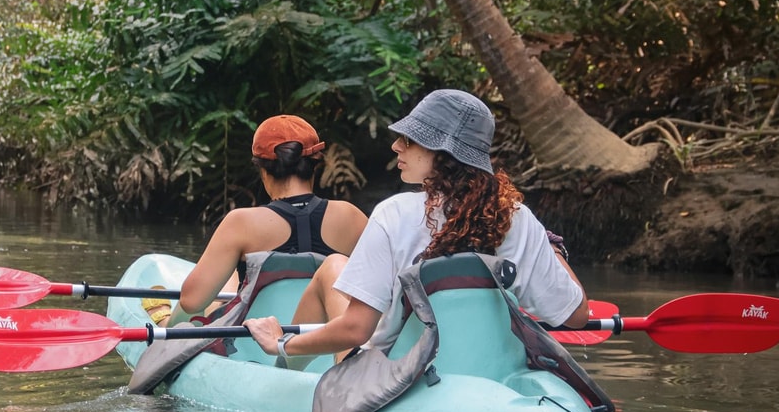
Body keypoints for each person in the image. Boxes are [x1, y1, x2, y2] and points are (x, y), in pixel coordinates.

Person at [244, 89, 589, 364]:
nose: (396, 145)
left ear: (443, 153)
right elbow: (576, 315)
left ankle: (286, 368)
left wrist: (282, 343)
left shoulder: (393, 214)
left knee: (333, 269)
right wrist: (551, 249)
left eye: (409, 140)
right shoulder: (518, 218)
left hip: (402, 373)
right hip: (489, 369)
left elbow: (356, 330)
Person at [144, 114, 370, 326]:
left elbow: (192, 301)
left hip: (256, 338)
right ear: (315, 165)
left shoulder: (242, 223)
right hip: (324, 336)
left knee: (226, 278)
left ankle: (167, 325)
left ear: (263, 170)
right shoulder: (351, 216)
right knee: (235, 271)